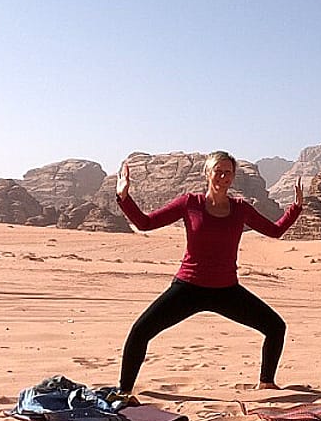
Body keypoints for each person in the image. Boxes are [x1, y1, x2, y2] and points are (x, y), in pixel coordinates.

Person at [114, 151, 303, 394]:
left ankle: (266, 383)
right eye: (218, 171)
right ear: (207, 173)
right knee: (140, 331)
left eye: (228, 172)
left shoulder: (240, 208)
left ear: (233, 177)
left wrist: (295, 208)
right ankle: (124, 391)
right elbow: (145, 223)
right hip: (188, 287)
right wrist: (124, 196)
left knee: (275, 327)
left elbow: (275, 231)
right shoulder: (189, 203)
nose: (223, 177)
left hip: (226, 290)